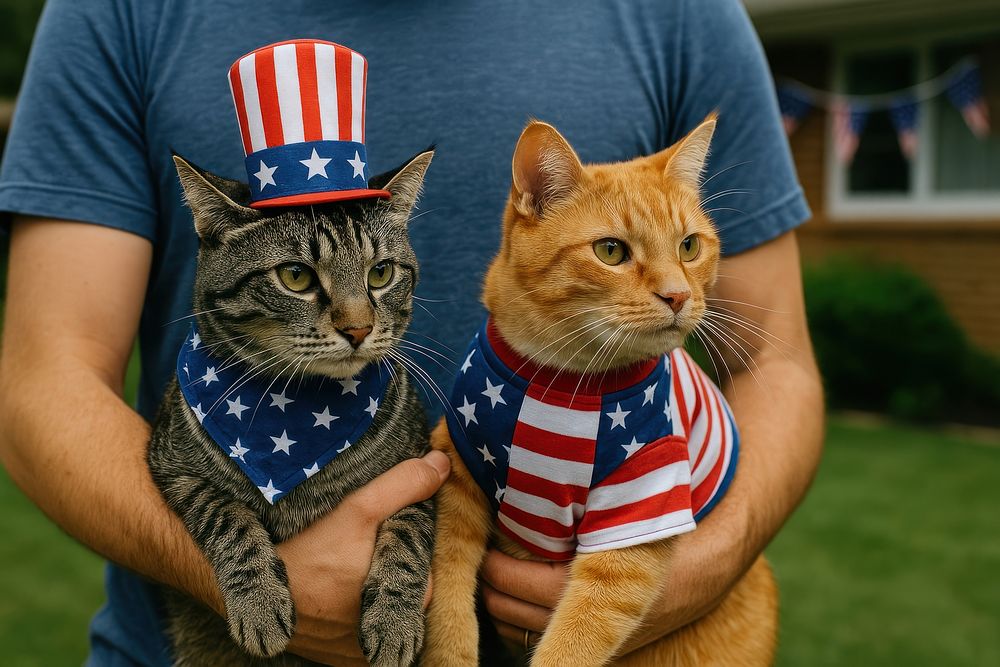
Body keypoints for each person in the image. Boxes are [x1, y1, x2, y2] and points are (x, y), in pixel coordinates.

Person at [0, 0, 823, 665]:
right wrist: (241, 571)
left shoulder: (681, 14)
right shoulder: (116, 11)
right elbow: (42, 379)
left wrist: (687, 564)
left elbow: (776, 357)